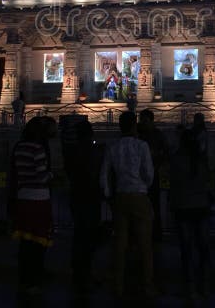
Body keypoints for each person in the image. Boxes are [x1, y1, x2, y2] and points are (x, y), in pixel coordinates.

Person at [100, 111, 155, 300]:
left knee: (120, 244)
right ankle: (147, 285)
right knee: (144, 243)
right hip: (139, 194)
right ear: (134, 126)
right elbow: (149, 173)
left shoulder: (113, 146)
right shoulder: (142, 146)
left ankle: (118, 285)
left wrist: (108, 195)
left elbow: (104, 174)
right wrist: (143, 187)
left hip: (120, 195)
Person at [7, 116, 56, 298]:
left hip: (22, 197)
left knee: (25, 244)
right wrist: (51, 175)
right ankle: (33, 281)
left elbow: (15, 173)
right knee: (37, 244)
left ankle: (24, 280)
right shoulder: (38, 149)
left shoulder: (19, 147)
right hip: (39, 199)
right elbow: (42, 177)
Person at [169, 128, 211, 301]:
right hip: (200, 205)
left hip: (183, 206)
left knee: (186, 248)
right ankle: (203, 284)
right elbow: (207, 180)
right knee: (202, 247)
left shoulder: (177, 159)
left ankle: (189, 284)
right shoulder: (201, 159)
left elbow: (174, 182)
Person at [67, 119, 104, 294]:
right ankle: (88, 272)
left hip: (76, 196)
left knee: (79, 234)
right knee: (89, 236)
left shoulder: (72, 151)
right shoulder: (94, 151)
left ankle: (77, 272)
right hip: (91, 196)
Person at [138, 108, 169, 242]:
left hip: (152, 173)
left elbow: (165, 151)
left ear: (151, 121)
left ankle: (155, 233)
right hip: (139, 177)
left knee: (154, 205)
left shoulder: (157, 135)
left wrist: (157, 160)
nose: (142, 123)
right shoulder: (139, 135)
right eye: (141, 120)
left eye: (144, 120)